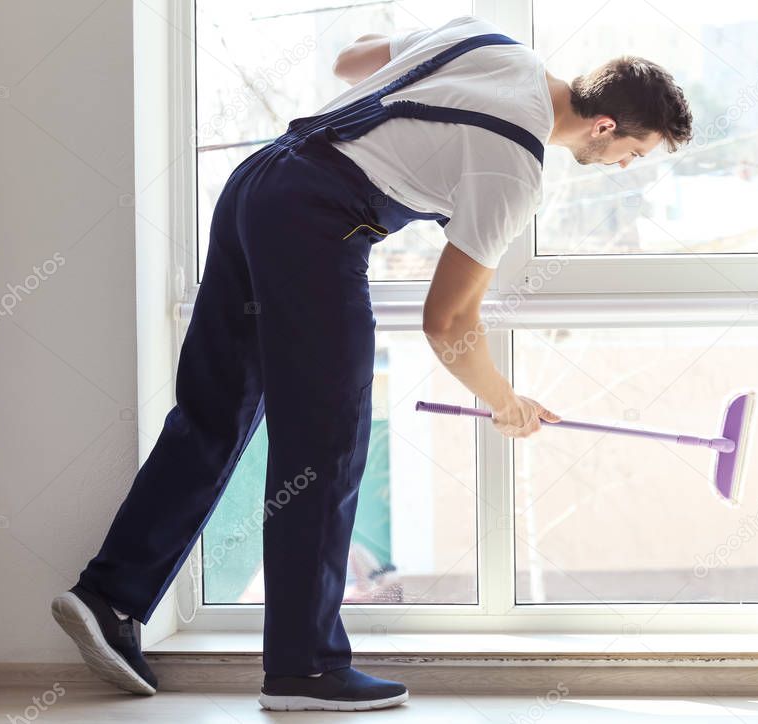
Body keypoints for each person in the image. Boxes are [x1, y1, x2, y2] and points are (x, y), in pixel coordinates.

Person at [51, 13, 693, 712]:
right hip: (315, 221)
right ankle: (304, 668)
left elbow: (351, 62)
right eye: (637, 152)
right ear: (605, 127)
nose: (629, 166)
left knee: (215, 411)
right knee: (322, 445)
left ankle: (109, 595)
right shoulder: (513, 164)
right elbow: (446, 323)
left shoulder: (490, 44)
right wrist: (503, 401)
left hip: (257, 184)